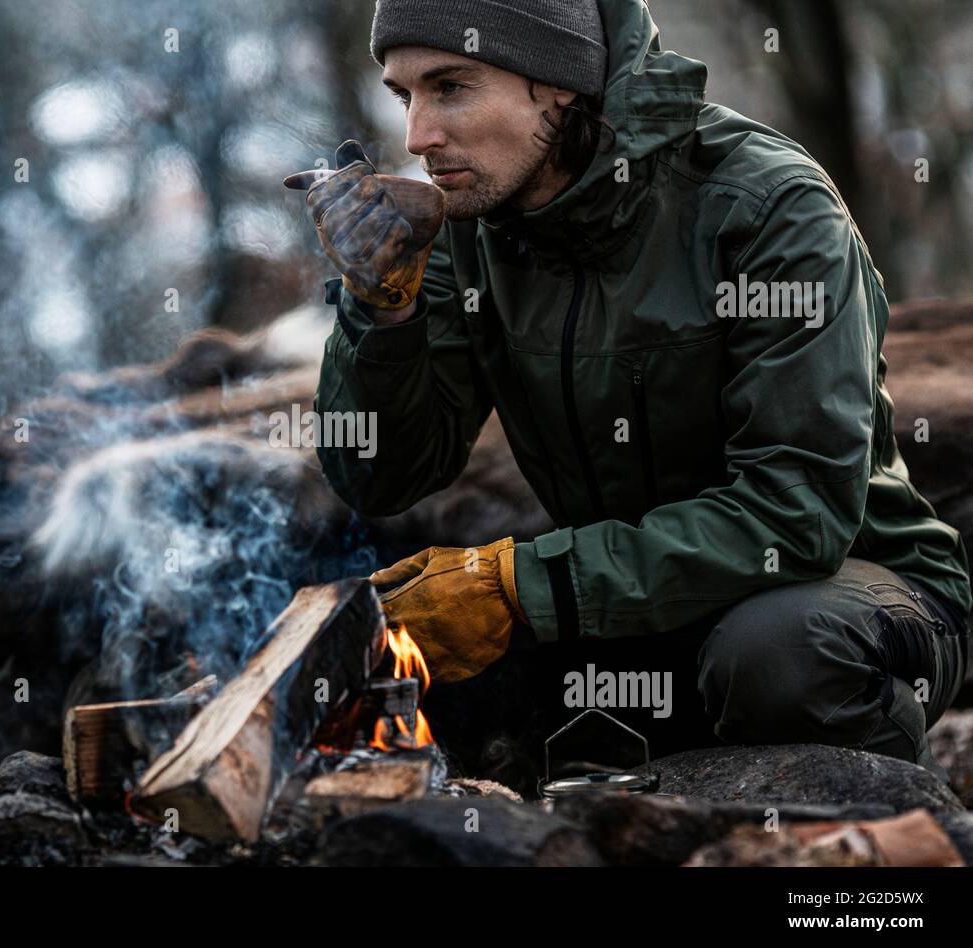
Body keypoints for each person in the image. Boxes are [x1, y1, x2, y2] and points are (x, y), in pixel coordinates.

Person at [285, 0, 971, 785]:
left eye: (450, 88)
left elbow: (797, 513)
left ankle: (876, 854)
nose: (417, 137)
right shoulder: (472, 228)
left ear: (562, 82)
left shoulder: (767, 206)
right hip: (635, 616)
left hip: (852, 596)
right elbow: (384, 475)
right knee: (409, 655)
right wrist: (382, 309)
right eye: (404, 97)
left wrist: (519, 587)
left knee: (782, 653)